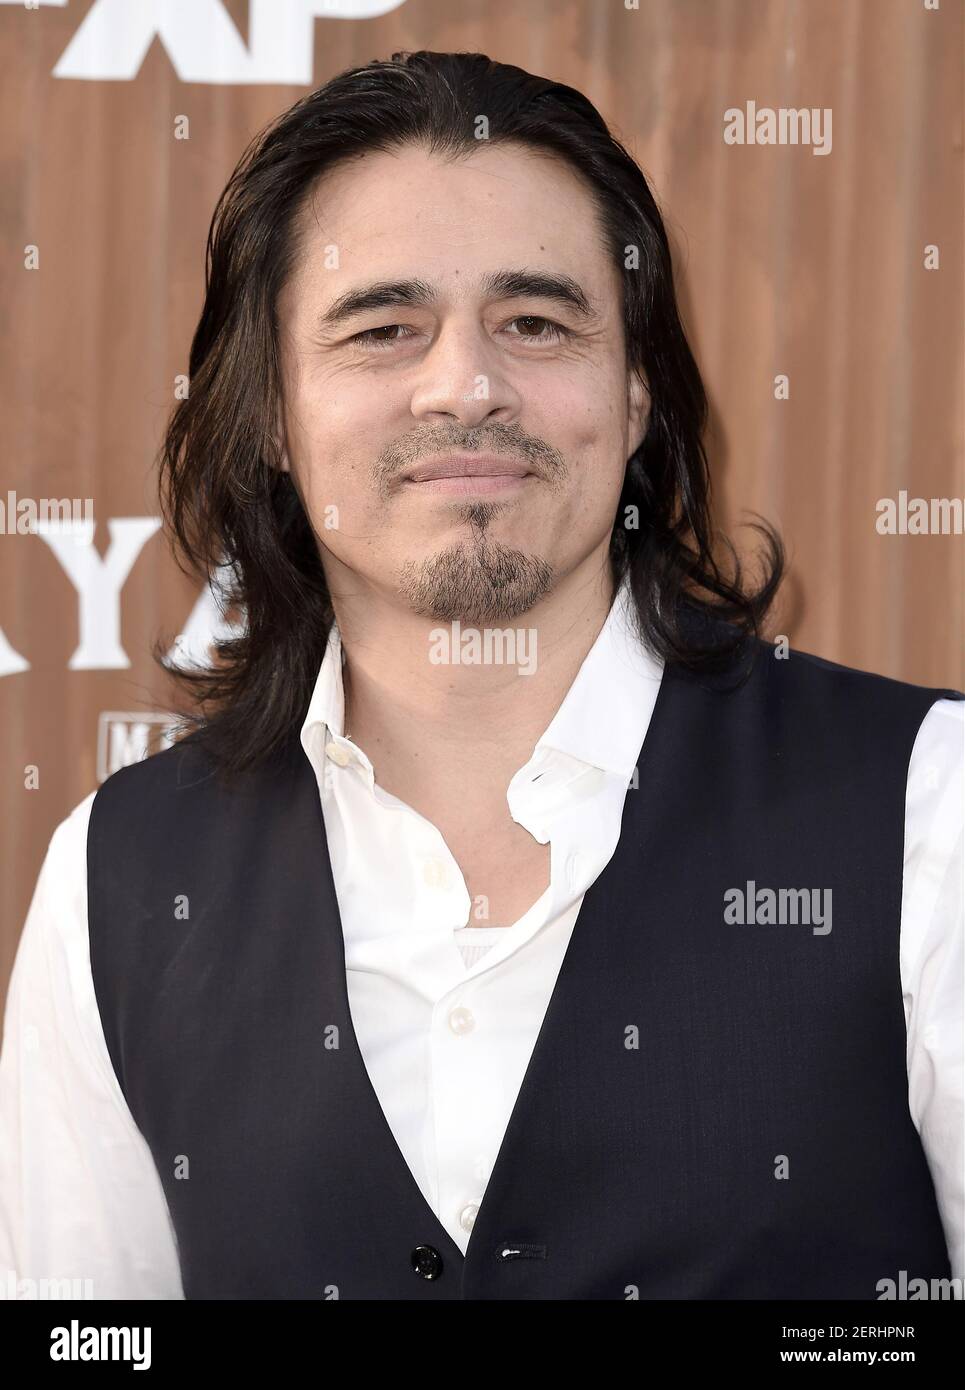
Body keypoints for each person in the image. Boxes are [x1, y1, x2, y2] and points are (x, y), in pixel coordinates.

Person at [0, 50, 961, 1301]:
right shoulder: (116, 880)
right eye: (383, 328)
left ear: (631, 399)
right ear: (275, 419)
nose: (465, 383)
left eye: (535, 323)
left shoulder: (925, 807)